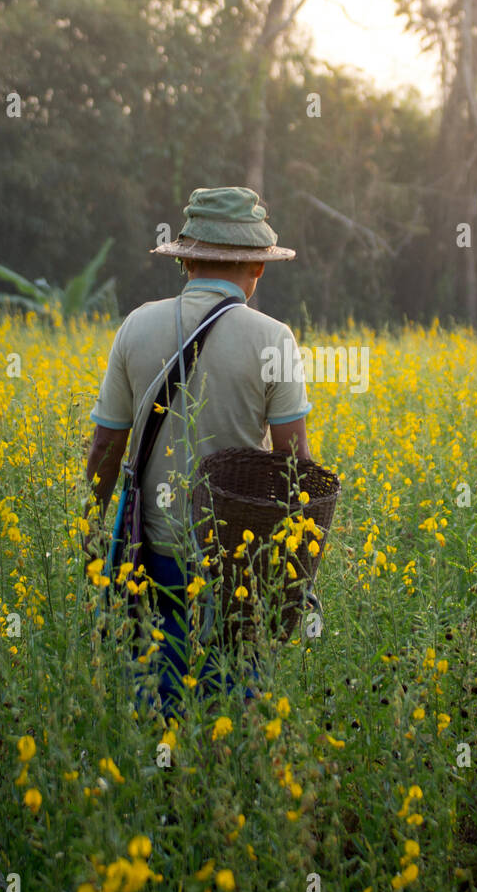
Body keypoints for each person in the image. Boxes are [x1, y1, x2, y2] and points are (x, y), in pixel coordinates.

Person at [84, 186, 311, 712]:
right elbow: (295, 464)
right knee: (233, 708)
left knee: (154, 700)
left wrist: (92, 528)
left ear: (185, 258)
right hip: (237, 567)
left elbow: (104, 446)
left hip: (149, 554)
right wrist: (295, 565)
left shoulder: (136, 326)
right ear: (258, 267)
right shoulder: (274, 339)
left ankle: (164, 780)